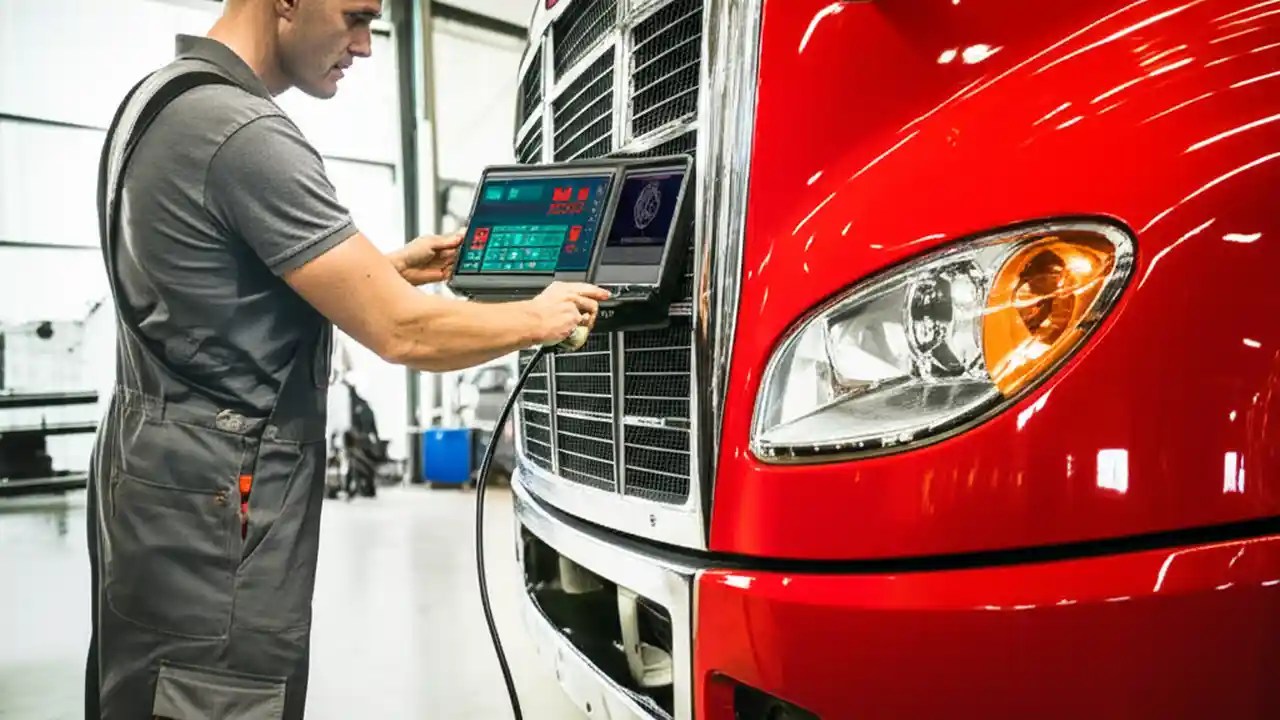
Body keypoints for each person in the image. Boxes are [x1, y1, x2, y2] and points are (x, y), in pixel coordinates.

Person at [85, 0, 609, 718]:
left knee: (152, 686)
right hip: (221, 508)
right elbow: (406, 335)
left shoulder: (155, 102)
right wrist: (541, 315)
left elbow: (217, 292)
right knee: (214, 697)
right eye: (357, 16)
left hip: (153, 481)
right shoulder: (243, 130)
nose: (365, 45)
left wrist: (385, 268)